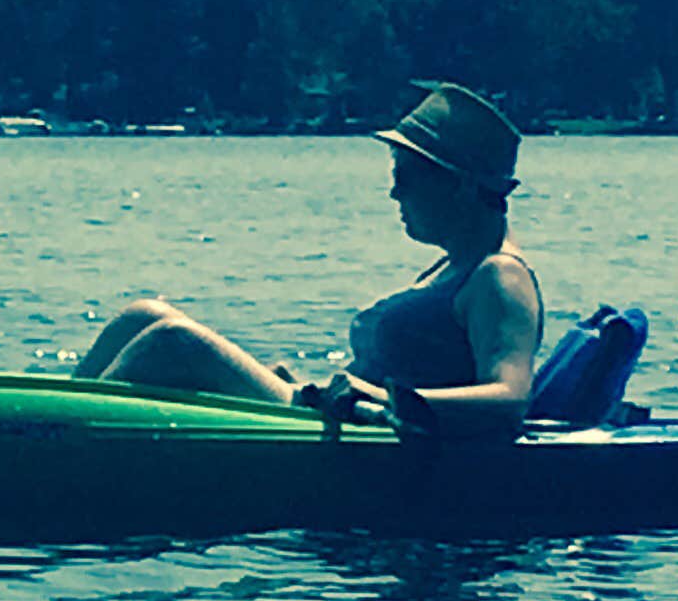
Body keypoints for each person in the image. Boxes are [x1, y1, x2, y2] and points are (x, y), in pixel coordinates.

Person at [71, 83, 544, 436]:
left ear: (460, 186)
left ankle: (68, 447)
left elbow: (509, 398)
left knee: (173, 343)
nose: (394, 192)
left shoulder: (499, 277)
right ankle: (47, 418)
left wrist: (380, 396)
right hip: (330, 411)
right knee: (144, 315)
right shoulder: (452, 266)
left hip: (361, 434)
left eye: (407, 178)